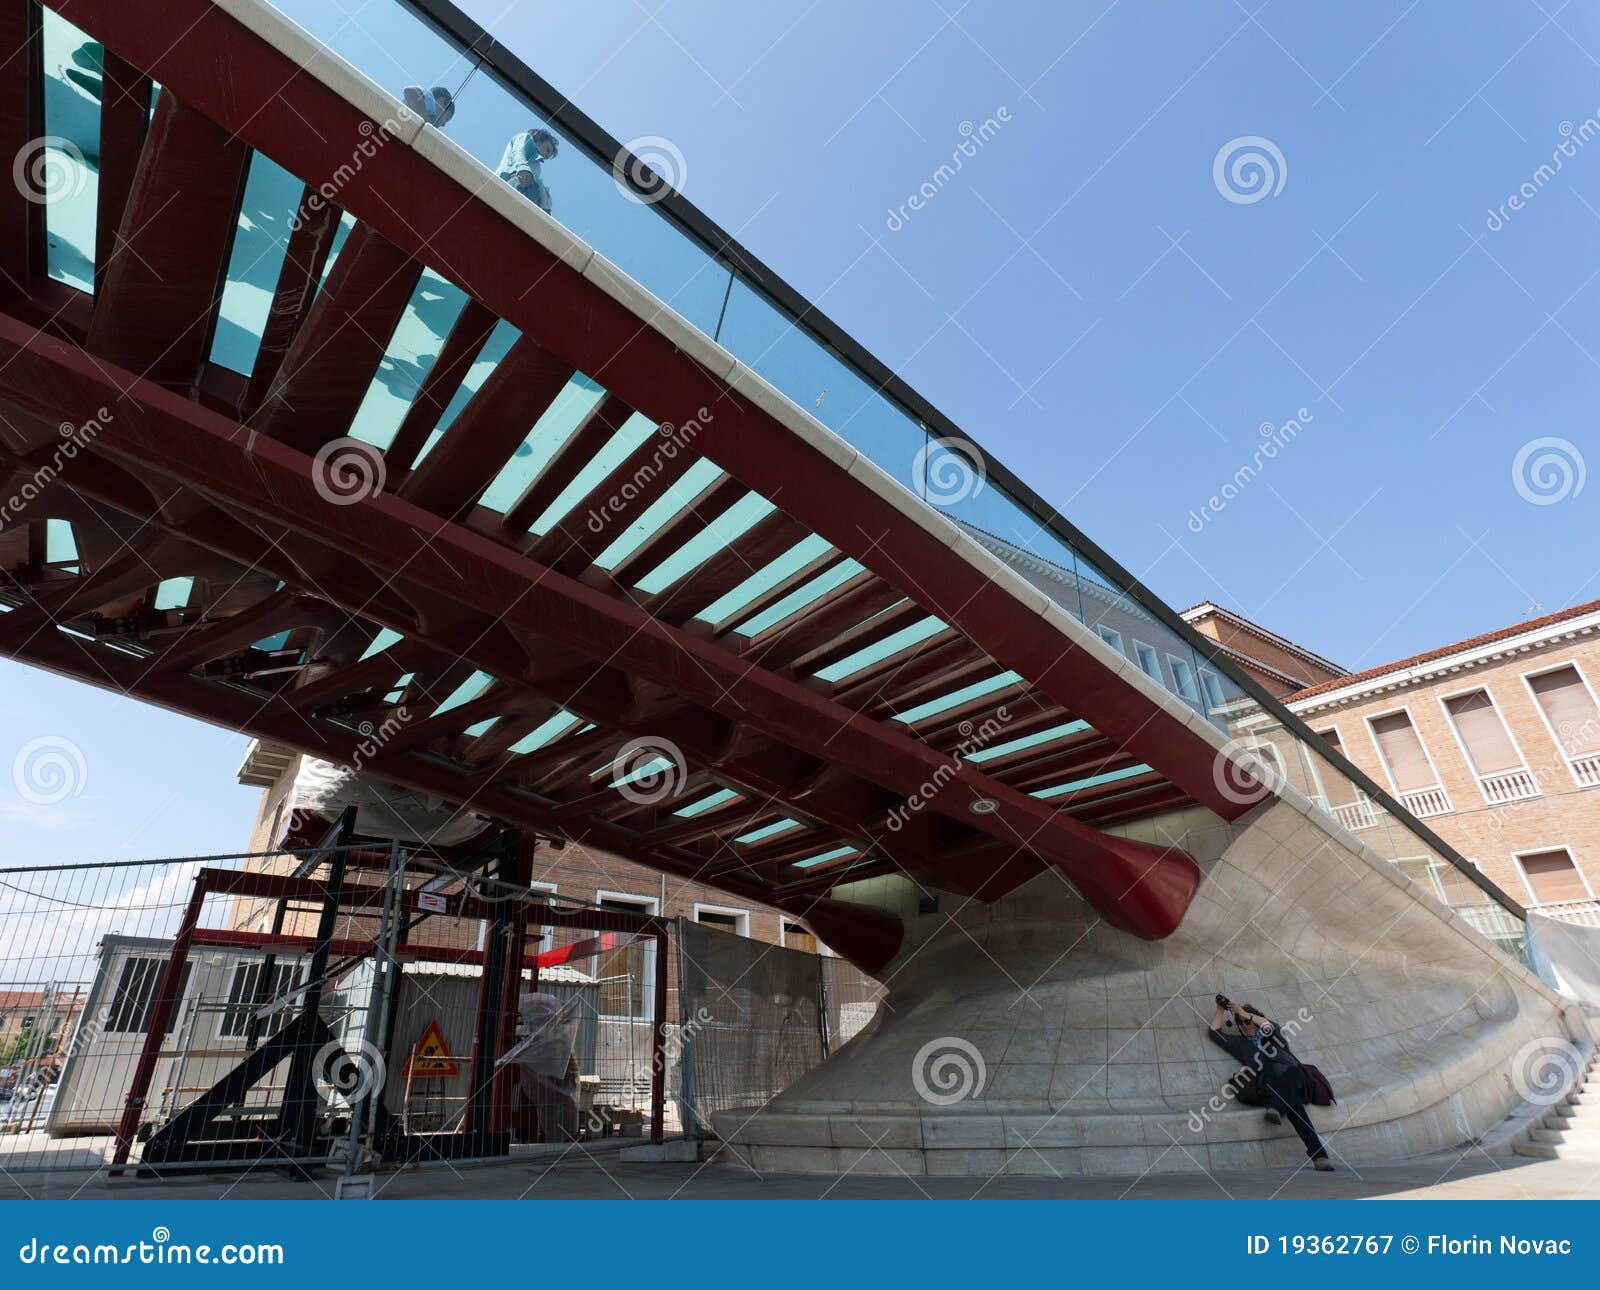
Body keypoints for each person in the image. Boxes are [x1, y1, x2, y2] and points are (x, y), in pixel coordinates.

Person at [1207, 994, 1333, 1171]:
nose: (1244, 1025)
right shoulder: (1241, 1044)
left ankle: (1278, 1108)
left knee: (1293, 1074)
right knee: (1292, 1101)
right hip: (1268, 1088)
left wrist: (1245, 1013)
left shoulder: (1273, 1034)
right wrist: (1220, 1009)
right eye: (1241, 1023)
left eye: (1247, 1021)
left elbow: (1268, 1025)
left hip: (1294, 1080)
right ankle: (1320, 1157)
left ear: (1255, 1020)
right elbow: (1214, 1033)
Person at [496, 126, 560, 213]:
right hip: (518, 181)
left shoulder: (536, 165)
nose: (547, 156)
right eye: (548, 149)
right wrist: (523, 168)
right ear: (538, 140)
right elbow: (518, 152)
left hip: (528, 189)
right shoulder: (525, 137)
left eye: (548, 157)